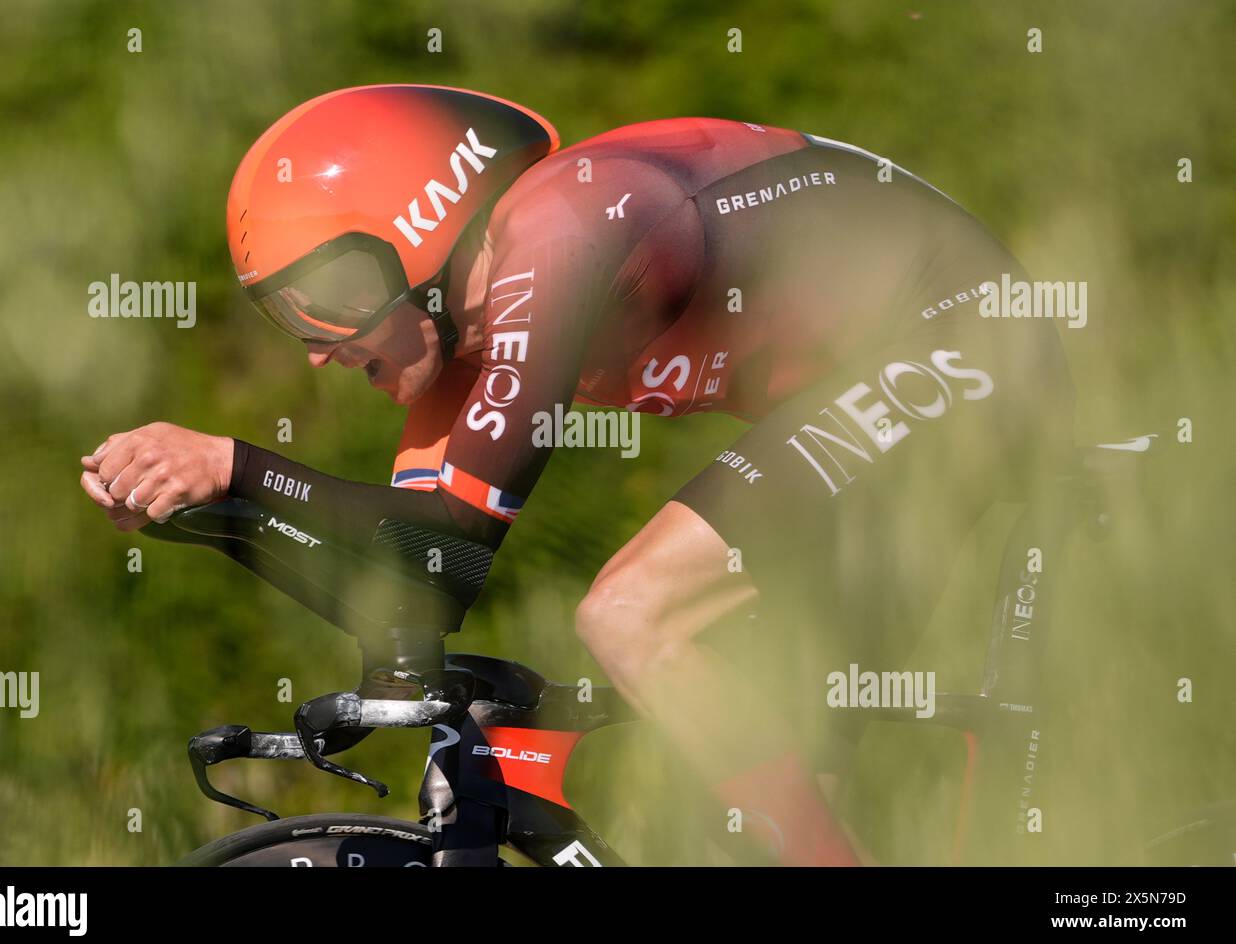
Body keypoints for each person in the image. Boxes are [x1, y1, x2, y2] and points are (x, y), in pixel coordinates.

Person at [80, 84, 1076, 865]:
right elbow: (414, 588)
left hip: (968, 340)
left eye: (327, 298)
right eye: (285, 315)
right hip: (868, 402)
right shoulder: (461, 338)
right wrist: (215, 513)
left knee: (634, 611)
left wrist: (236, 464)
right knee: (740, 783)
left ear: (422, 230)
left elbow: (446, 545)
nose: (317, 347)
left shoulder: (557, 230)